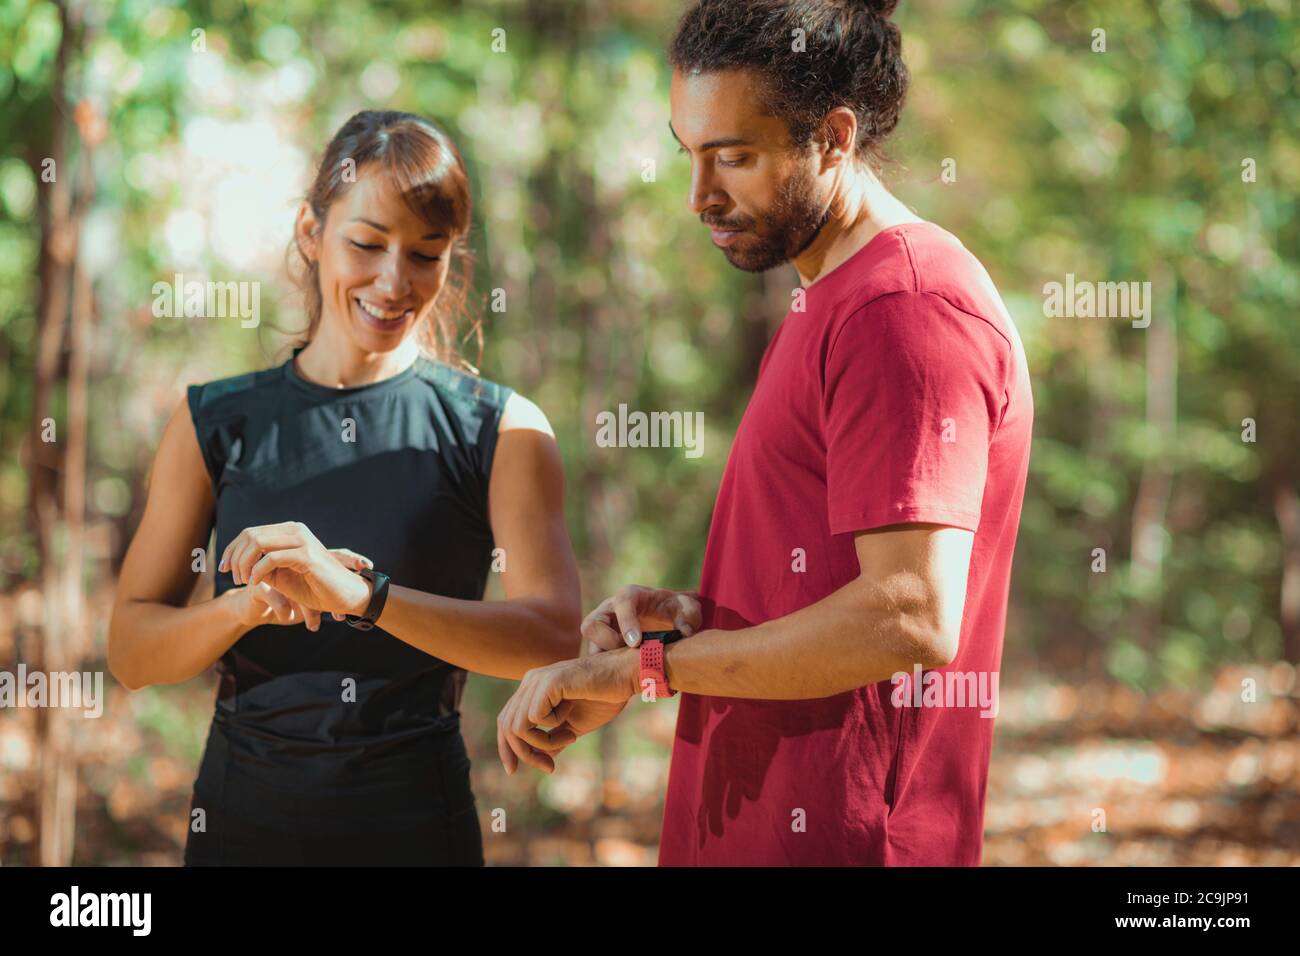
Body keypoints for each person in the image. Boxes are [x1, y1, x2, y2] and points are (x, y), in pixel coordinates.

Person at [496, 0, 1034, 866]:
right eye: (691, 156)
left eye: (733, 158)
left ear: (831, 137)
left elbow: (911, 615)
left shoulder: (904, 307)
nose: (700, 196)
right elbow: (828, 590)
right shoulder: (827, 298)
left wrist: (647, 674)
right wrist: (691, 624)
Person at [108, 110, 582, 866]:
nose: (393, 282)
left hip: (417, 831)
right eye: (365, 243)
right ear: (310, 232)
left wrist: (364, 598)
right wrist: (245, 606)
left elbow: (553, 638)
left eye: (426, 255)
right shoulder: (214, 420)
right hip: (241, 829)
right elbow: (132, 652)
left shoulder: (501, 428)